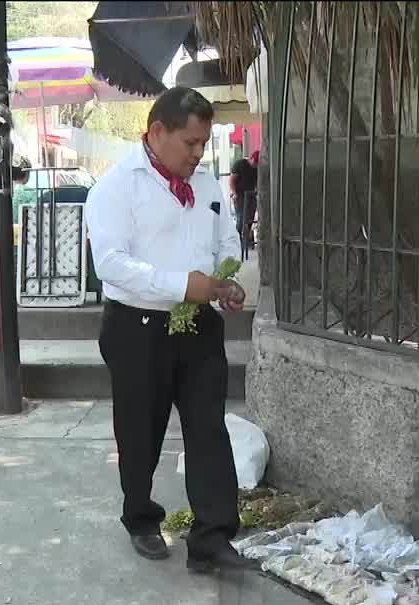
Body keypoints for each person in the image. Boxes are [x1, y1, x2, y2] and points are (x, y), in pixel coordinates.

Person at [84, 86, 254, 575]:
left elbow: (226, 240)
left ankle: (212, 538)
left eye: (204, 144)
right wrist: (184, 284)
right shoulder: (116, 188)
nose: (199, 154)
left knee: (208, 428)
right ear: (156, 133)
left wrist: (225, 283)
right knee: (141, 432)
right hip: (137, 327)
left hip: (199, 326)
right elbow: (111, 265)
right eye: (191, 143)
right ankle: (140, 517)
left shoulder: (206, 186)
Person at [229, 150, 258, 254]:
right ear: (251, 159)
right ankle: (237, 242)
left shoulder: (256, 169)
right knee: (241, 218)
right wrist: (234, 193)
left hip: (251, 195)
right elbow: (232, 179)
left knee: (250, 218)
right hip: (240, 196)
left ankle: (247, 241)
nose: (255, 166)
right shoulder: (240, 165)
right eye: (255, 164)